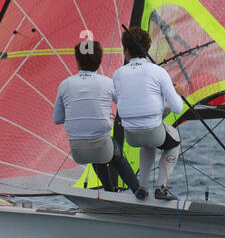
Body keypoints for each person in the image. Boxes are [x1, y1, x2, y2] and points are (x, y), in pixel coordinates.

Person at [53, 40, 147, 198]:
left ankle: (110, 191)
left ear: (77, 61)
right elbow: (126, 107)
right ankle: (137, 189)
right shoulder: (108, 83)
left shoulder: (64, 85)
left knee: (98, 149)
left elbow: (57, 118)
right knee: (113, 150)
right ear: (99, 61)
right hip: (102, 147)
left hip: (78, 152)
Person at [113, 25, 186, 201]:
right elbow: (177, 108)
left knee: (148, 141)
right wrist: (177, 93)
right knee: (174, 140)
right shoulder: (158, 72)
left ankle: (143, 188)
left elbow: (120, 100)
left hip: (131, 135)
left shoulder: (117, 74)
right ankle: (161, 188)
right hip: (153, 131)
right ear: (147, 49)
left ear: (126, 50)